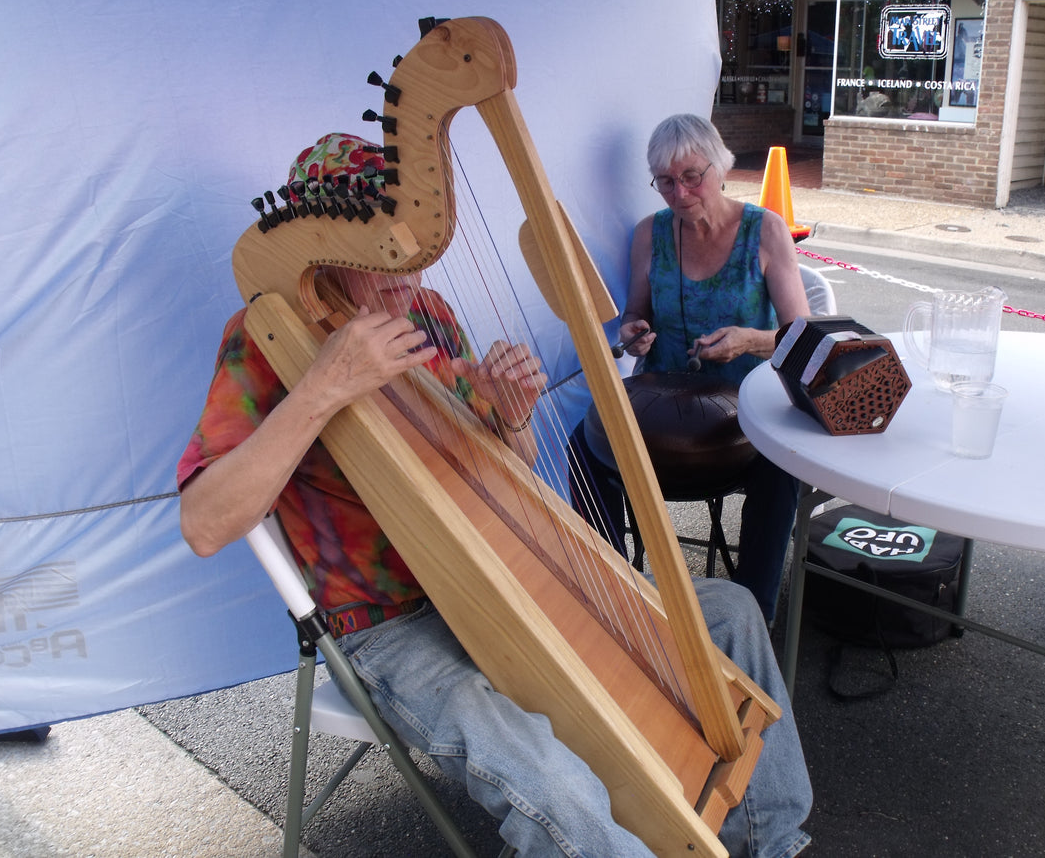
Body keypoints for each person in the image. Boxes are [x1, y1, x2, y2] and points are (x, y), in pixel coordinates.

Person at [177, 133, 811, 857]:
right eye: (385, 262)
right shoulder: (264, 341)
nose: (409, 281)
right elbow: (204, 524)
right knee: (552, 775)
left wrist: (509, 415)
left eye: (415, 257)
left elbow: (513, 462)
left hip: (499, 572)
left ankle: (775, 844)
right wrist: (323, 388)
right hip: (392, 624)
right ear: (325, 255)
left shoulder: (429, 314)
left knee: (728, 613)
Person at [567, 114, 810, 624]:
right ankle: (613, 591)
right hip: (663, 410)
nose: (679, 193)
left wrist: (750, 340)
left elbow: (802, 339)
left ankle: (752, 614)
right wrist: (634, 330)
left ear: (720, 167)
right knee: (584, 443)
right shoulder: (649, 234)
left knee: (783, 463)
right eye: (665, 181)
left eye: (692, 176)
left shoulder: (764, 231)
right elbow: (637, 312)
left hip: (745, 414)